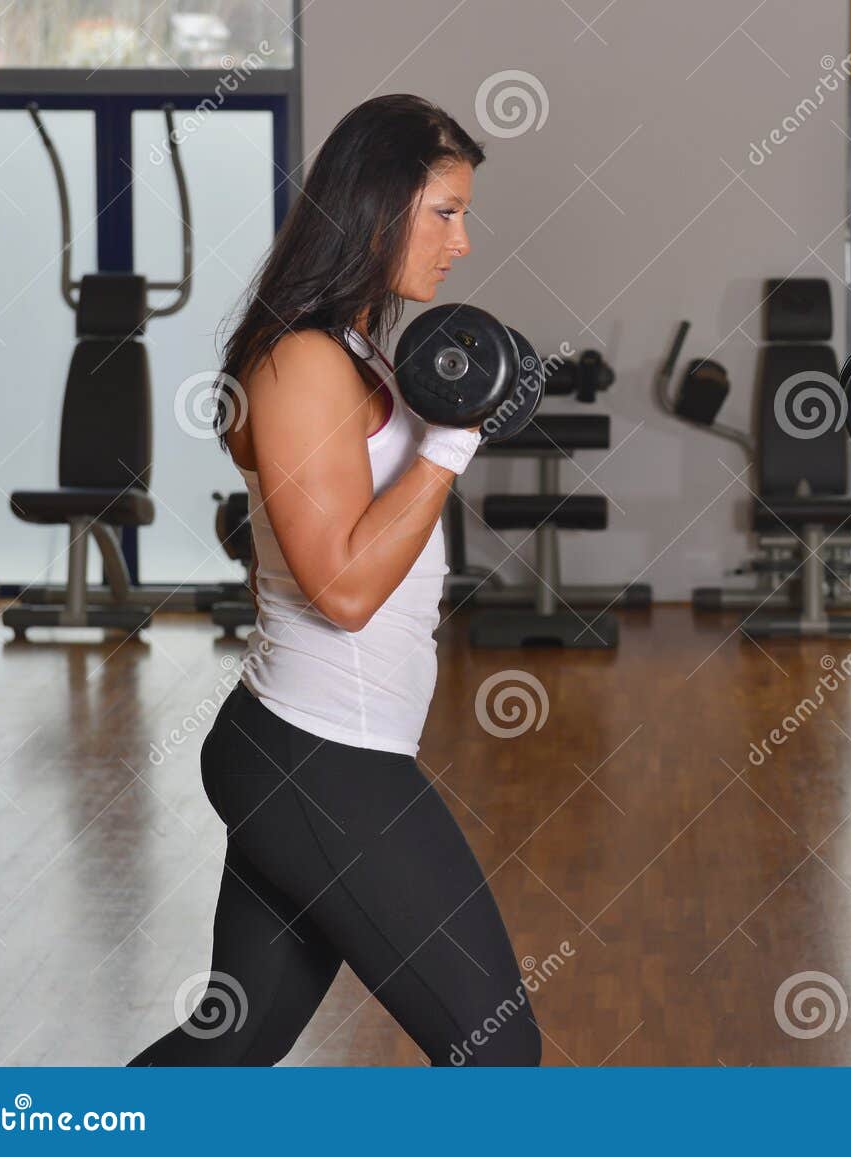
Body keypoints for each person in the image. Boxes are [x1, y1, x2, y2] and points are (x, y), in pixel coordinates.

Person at [129, 95, 540, 1067]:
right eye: (445, 212)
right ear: (374, 205)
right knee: (496, 1051)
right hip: (318, 753)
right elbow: (344, 591)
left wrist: (450, 427)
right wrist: (451, 440)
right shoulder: (301, 360)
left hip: (317, 744)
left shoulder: (352, 348)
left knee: (235, 1042)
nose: (463, 242)